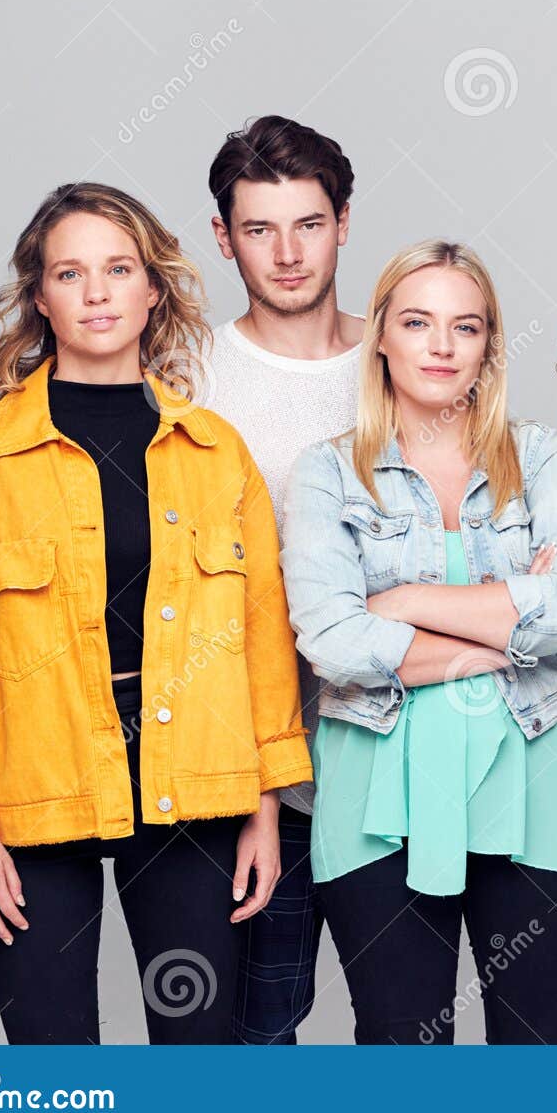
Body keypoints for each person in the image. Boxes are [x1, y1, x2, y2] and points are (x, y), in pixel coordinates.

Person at [0, 182, 309, 1043]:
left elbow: (263, 639)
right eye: (71, 272)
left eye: (119, 269)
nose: (96, 292)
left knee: (197, 1063)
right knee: (54, 1067)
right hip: (32, 786)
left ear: (151, 289)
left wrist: (265, 806)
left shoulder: (214, 452)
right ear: (39, 295)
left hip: (195, 783)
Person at [281, 239, 557, 1044]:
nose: (441, 344)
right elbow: (334, 638)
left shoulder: (541, 457)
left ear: (488, 345)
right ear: (380, 336)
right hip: (374, 793)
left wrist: (412, 600)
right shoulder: (326, 473)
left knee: (536, 1055)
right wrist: (506, 635)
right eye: (418, 321)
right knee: (403, 1055)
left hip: (541, 784)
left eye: (466, 326)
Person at [203, 114, 364, 1044]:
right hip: (248, 757)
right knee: (259, 1022)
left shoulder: (407, 350)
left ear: (343, 219)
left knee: (407, 1018)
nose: (288, 252)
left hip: (390, 739)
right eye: (259, 229)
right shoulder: (186, 372)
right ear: (224, 238)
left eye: (307, 223)